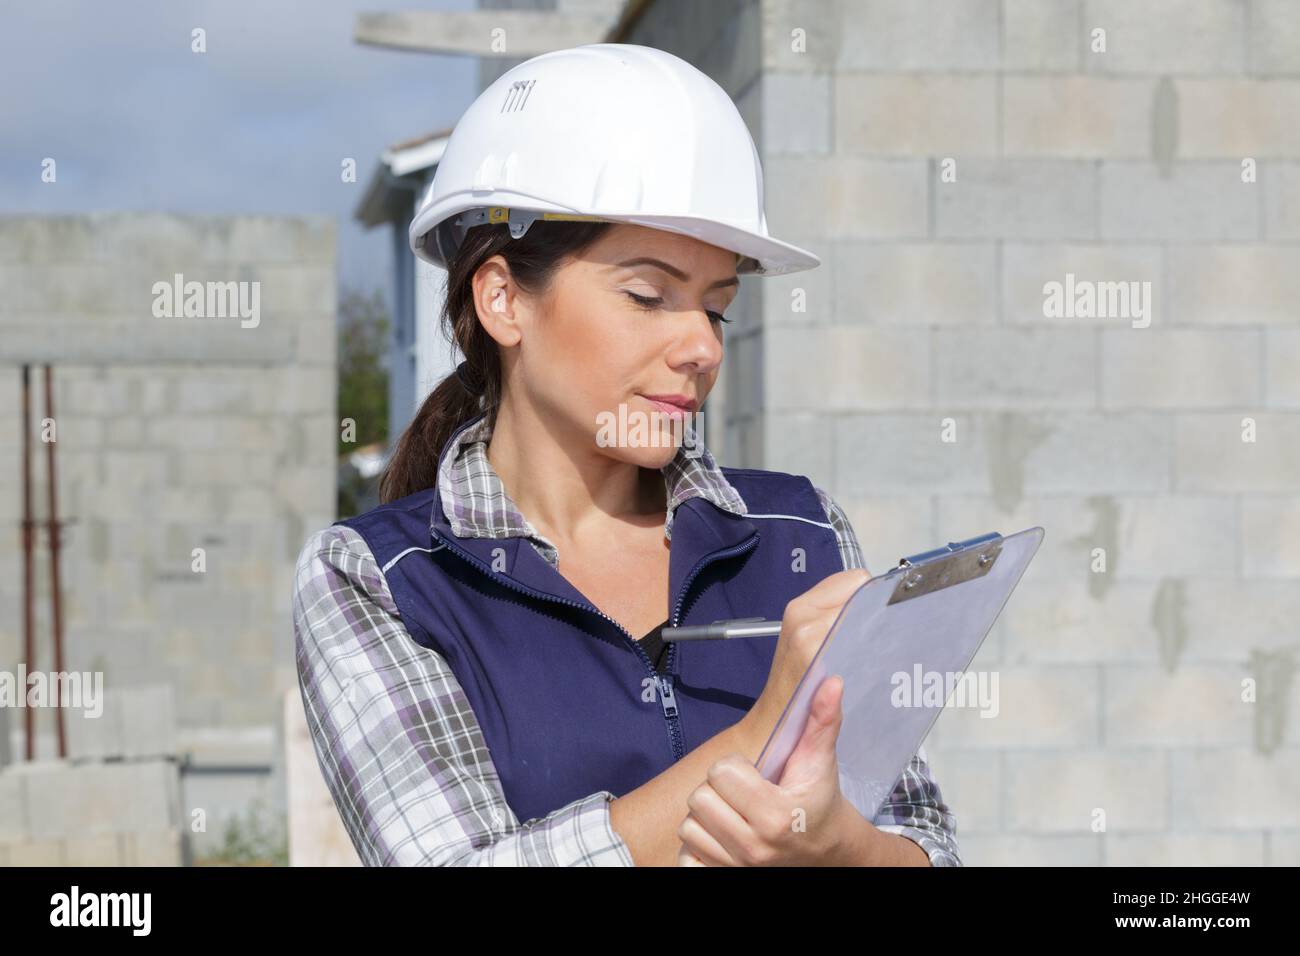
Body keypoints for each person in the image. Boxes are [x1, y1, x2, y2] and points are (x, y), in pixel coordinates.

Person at [293, 42, 960, 866]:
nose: (701, 349)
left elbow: (926, 841)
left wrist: (840, 848)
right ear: (502, 298)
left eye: (715, 310)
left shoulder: (801, 533)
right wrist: (762, 732)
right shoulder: (382, 580)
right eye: (649, 296)